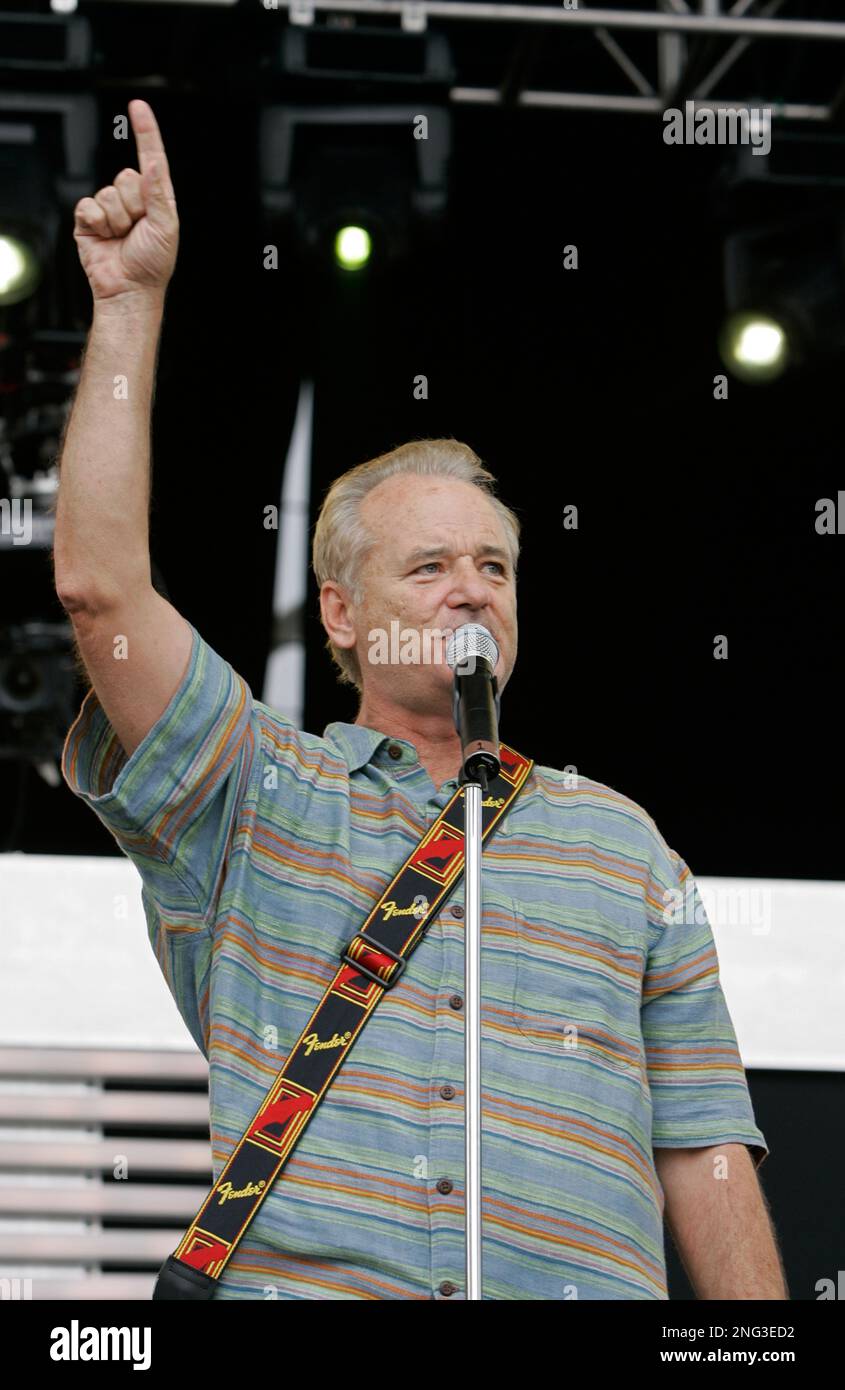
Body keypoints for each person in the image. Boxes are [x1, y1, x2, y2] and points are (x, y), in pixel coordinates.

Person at [54, 100, 787, 1301]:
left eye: (494, 566)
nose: (471, 592)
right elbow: (99, 589)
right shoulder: (253, 790)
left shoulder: (623, 844)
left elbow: (703, 1143)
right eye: (429, 566)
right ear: (340, 613)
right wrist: (130, 311)